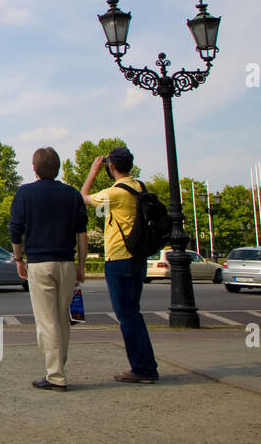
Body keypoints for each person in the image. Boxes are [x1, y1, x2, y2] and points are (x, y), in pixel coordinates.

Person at [9, 147, 88, 392]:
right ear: (58, 168)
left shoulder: (25, 194)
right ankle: (58, 368)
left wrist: (19, 258)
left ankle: (55, 375)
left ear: (34, 168)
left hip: (40, 263)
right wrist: (81, 266)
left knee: (46, 321)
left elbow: (15, 229)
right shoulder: (72, 194)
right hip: (65, 263)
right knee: (62, 319)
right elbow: (82, 234)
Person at [81, 146, 159, 384]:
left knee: (126, 316)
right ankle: (146, 365)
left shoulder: (114, 193)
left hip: (118, 258)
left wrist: (93, 172)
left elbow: (82, 197)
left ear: (111, 167)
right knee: (133, 312)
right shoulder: (140, 187)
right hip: (138, 257)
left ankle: (143, 369)